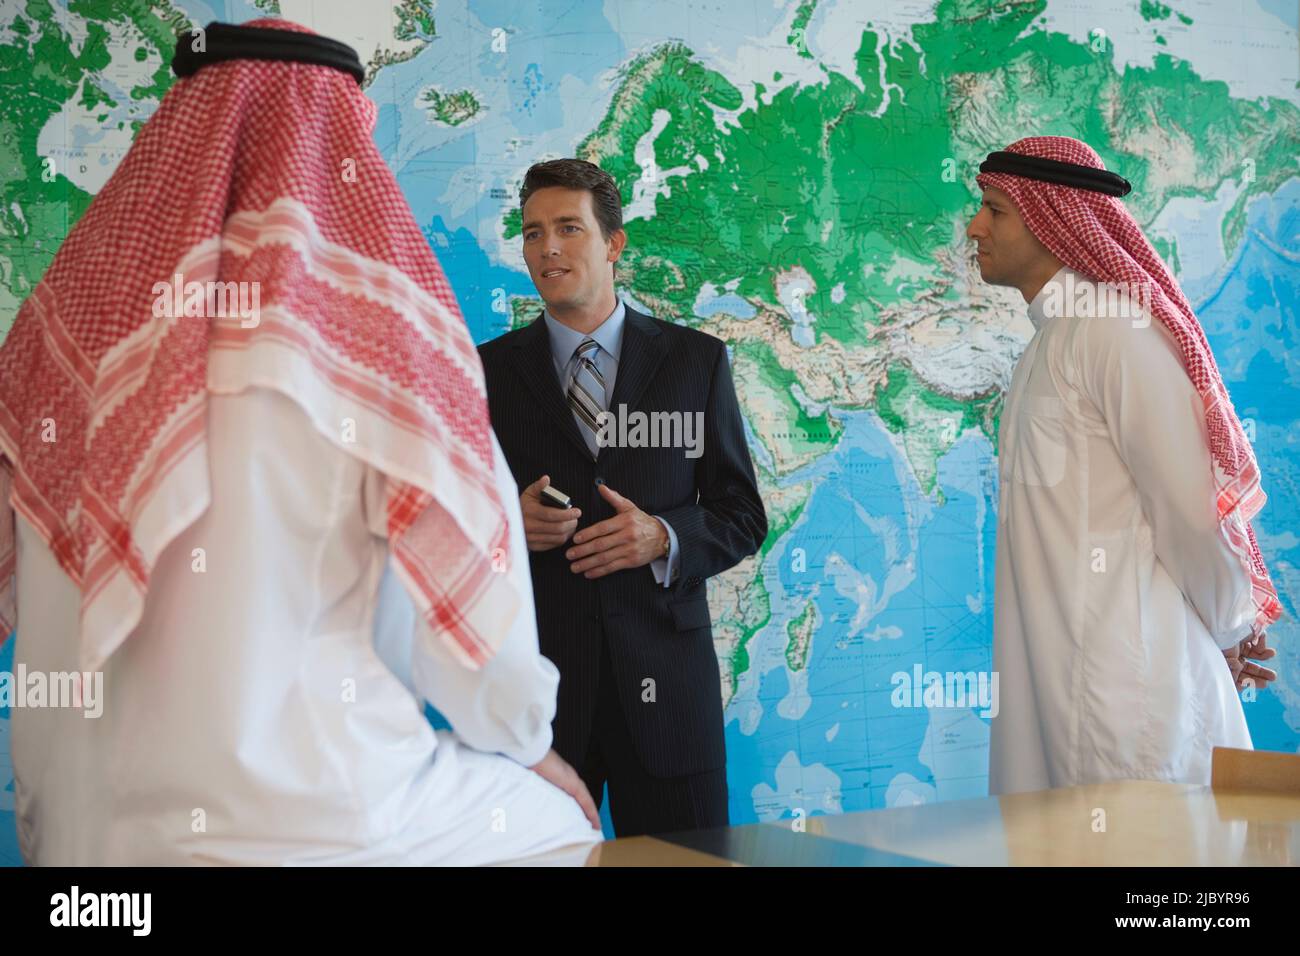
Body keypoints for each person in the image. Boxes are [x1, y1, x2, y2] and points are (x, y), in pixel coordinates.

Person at [0, 19, 601, 865]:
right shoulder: (385, 341)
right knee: (561, 824)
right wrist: (529, 740)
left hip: (77, 838)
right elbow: (478, 636)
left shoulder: (51, 341)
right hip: (306, 830)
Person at [967, 135, 1281, 795]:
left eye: (995, 209)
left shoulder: (1115, 333)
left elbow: (1192, 513)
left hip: (1133, 709)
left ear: (1056, 220)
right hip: (1062, 700)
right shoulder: (1051, 345)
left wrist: (1231, 626)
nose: (976, 227)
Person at [478, 159, 767, 836]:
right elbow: (452, 529)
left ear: (614, 243)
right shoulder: (485, 372)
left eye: (568, 228)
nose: (547, 247)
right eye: (532, 233)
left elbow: (742, 515)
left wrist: (663, 538)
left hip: (670, 697)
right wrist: (504, 525)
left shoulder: (696, 362)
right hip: (542, 703)